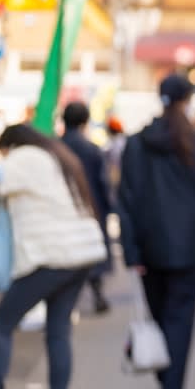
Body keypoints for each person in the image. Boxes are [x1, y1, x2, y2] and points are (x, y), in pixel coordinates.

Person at [117, 74, 195, 389]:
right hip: (189, 246)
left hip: (149, 248)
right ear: (188, 98)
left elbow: (126, 201)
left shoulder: (136, 144)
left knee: (161, 318)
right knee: (180, 321)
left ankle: (167, 388)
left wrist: (131, 251)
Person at [0, 124, 107, 389]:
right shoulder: (58, 155)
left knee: (1, 324)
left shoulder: (24, 158)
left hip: (50, 255)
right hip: (81, 253)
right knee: (58, 330)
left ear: (10, 145)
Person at [60, 101, 112, 314]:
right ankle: (97, 295)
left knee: (65, 255)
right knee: (92, 253)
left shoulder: (55, 147)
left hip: (62, 209)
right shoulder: (91, 149)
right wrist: (108, 208)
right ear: (85, 121)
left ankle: (66, 302)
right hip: (91, 207)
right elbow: (103, 182)